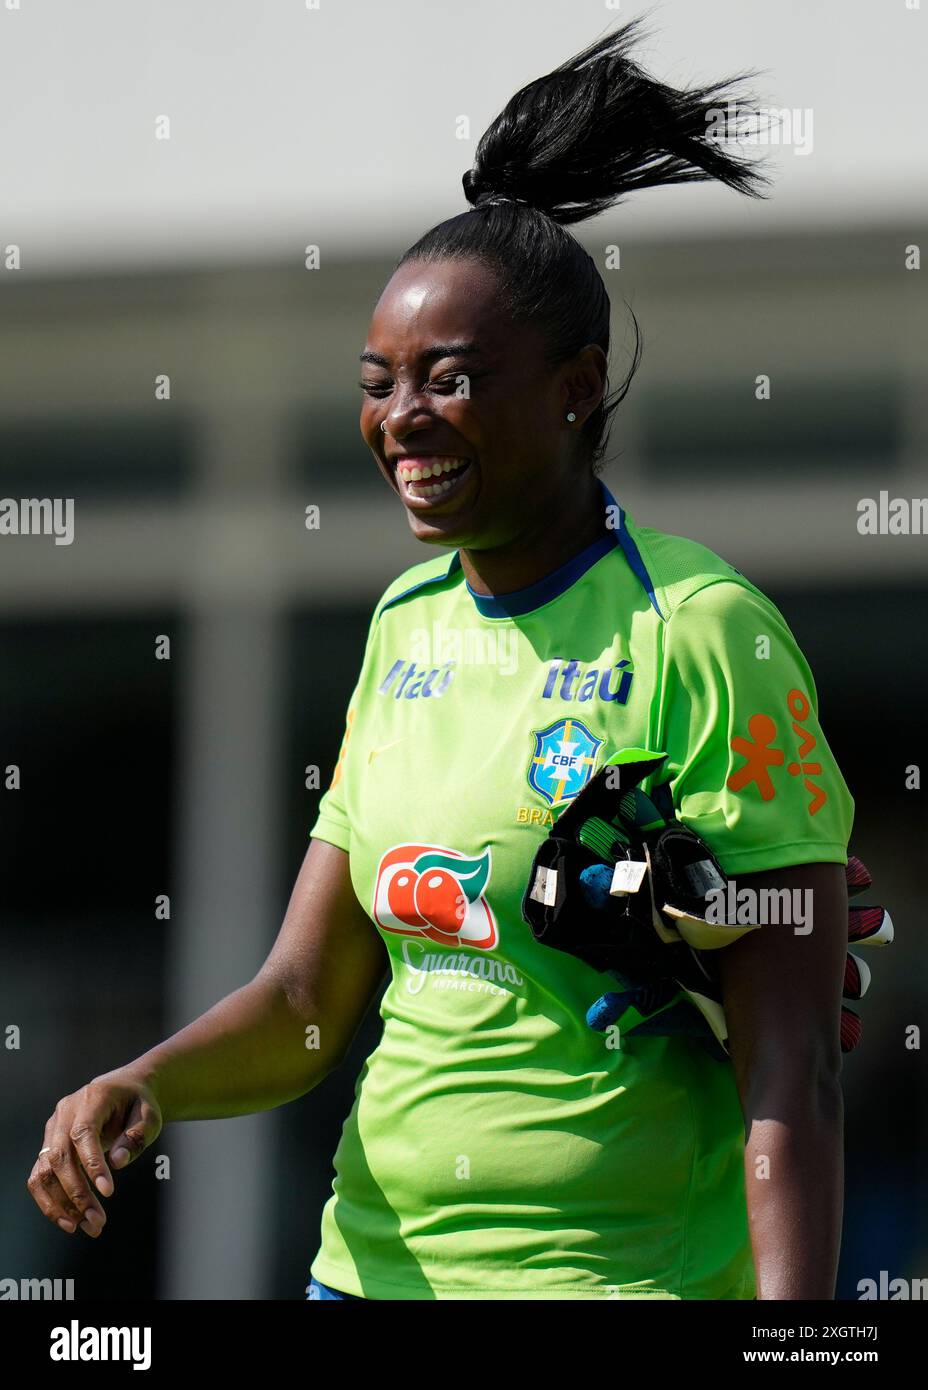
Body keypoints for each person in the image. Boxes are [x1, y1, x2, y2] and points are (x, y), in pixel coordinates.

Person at [27, 20, 854, 1300]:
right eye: (380, 381)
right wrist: (145, 1082)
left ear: (576, 388)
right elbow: (306, 998)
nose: (403, 417)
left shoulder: (698, 629)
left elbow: (792, 1061)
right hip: (363, 1274)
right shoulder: (403, 626)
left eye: (452, 379)